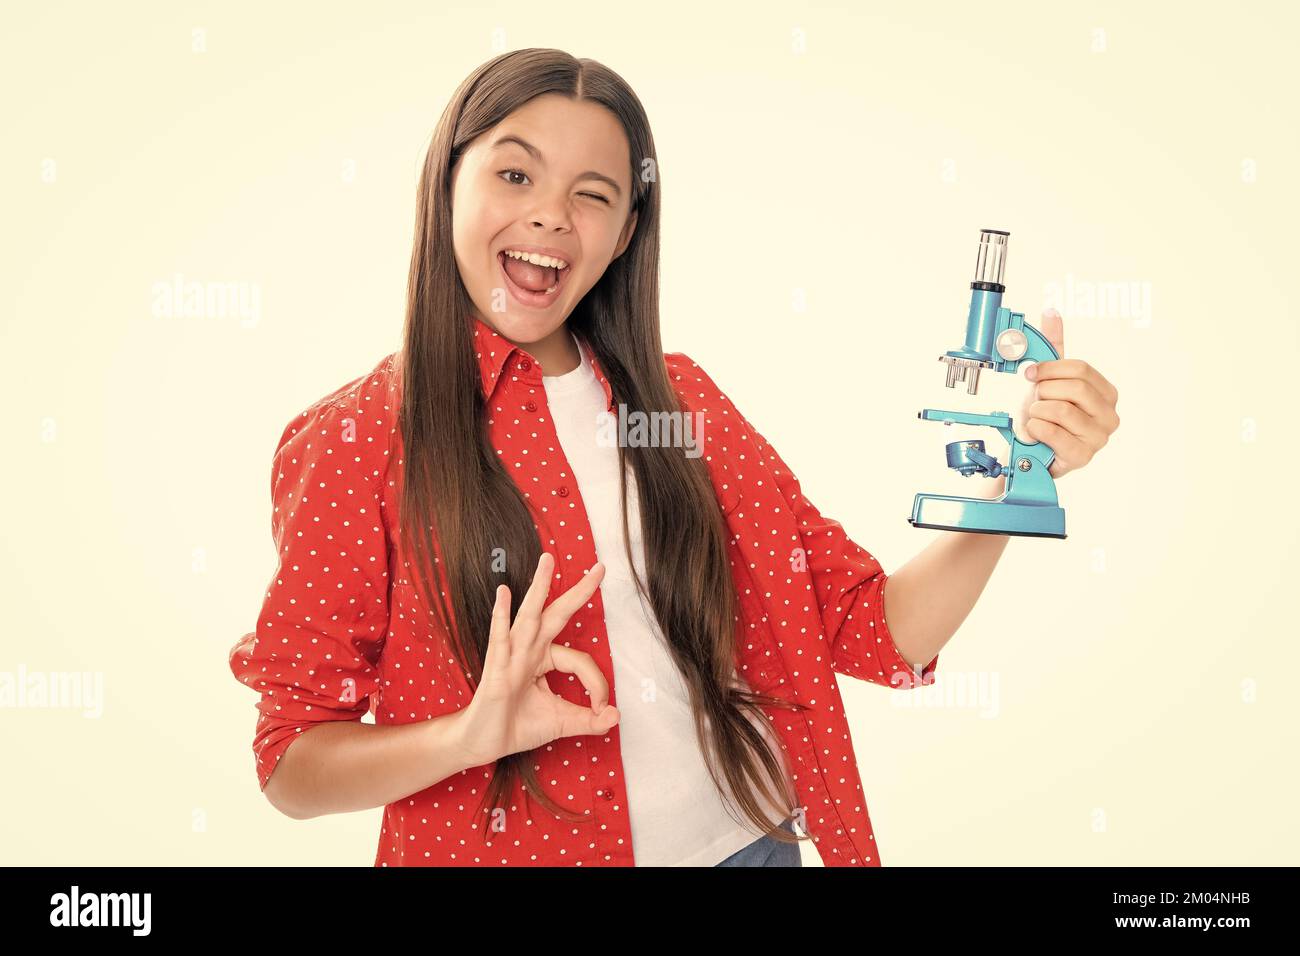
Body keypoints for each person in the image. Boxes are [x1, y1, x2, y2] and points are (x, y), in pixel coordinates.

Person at [228, 48, 1121, 868]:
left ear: (623, 233)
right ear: (446, 184)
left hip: (751, 848)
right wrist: (466, 735)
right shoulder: (358, 439)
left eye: (594, 192)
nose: (550, 212)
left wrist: (1017, 478)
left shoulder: (681, 406)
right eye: (513, 172)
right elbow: (291, 763)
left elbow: (874, 630)